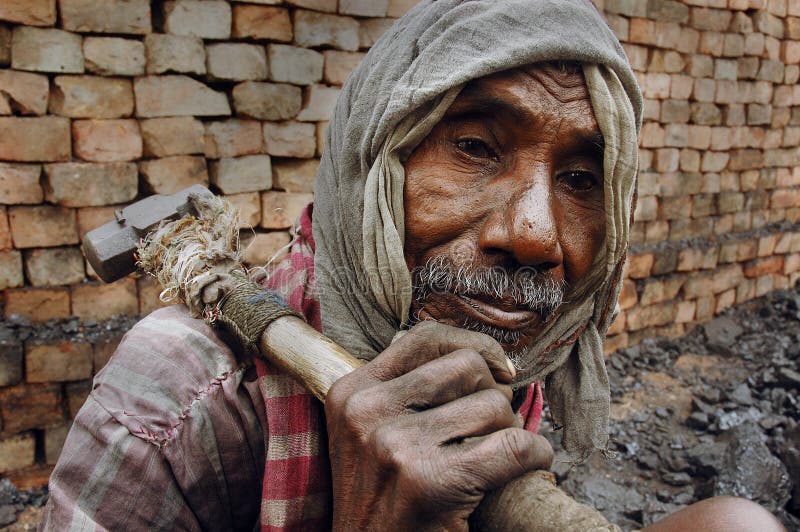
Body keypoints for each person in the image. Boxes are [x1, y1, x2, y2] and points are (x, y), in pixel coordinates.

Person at [41, 1, 785, 530]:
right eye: (475, 147)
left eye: (581, 180)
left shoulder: (510, 354)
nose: (535, 235)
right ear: (372, 168)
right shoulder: (179, 406)